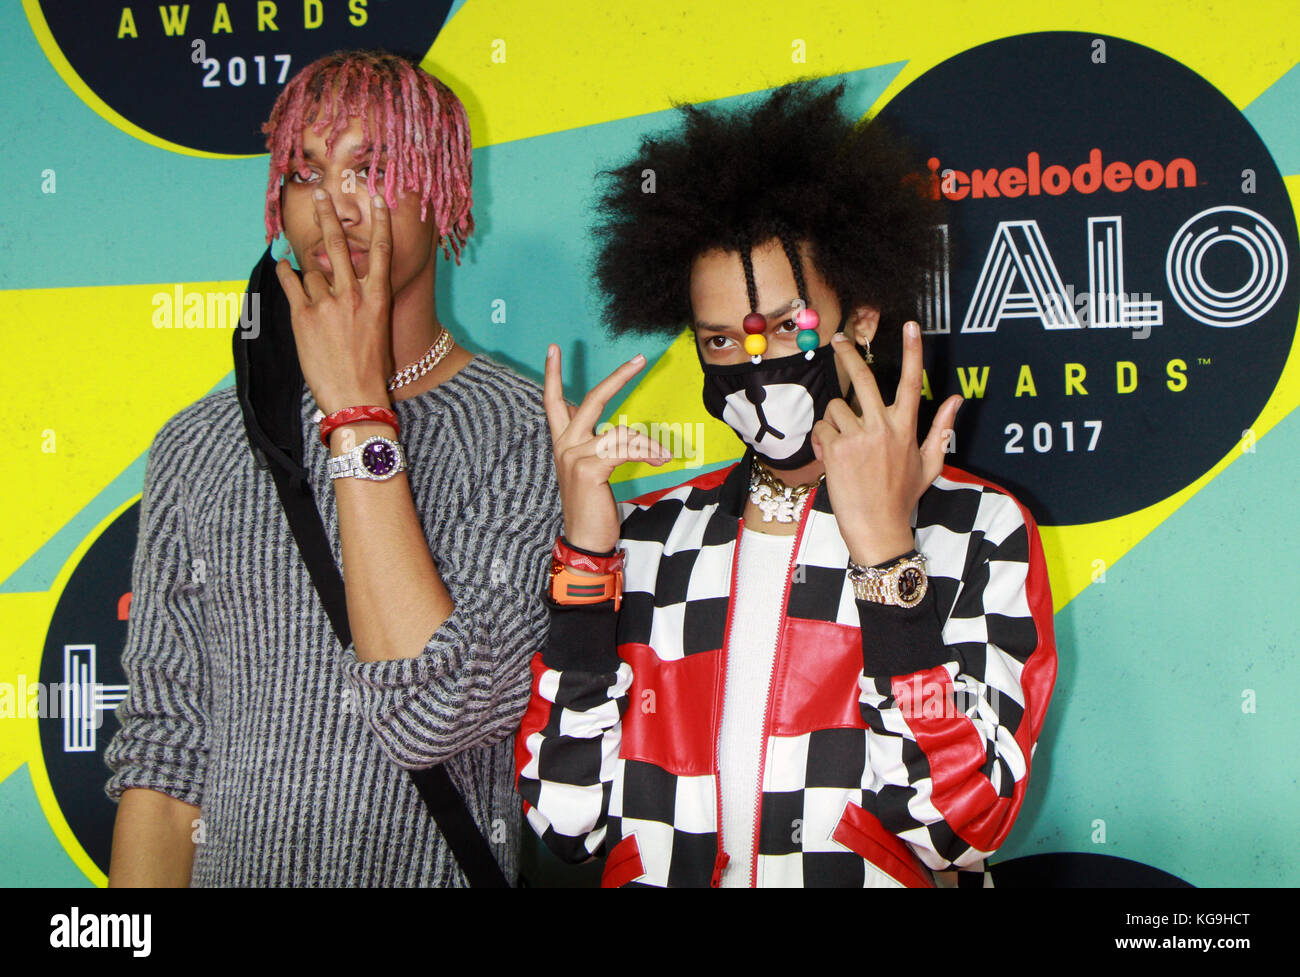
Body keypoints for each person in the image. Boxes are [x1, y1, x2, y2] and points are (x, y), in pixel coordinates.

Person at [517, 80, 1057, 887]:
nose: (755, 364)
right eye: (721, 342)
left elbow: (959, 822)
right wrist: (588, 564)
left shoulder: (973, 526)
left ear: (861, 321)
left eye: (788, 328)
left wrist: (884, 560)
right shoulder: (652, 537)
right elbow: (564, 819)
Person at [104, 50, 560, 886]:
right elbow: (164, 762)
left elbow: (437, 711)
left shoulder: (528, 435)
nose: (335, 205)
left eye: (373, 167)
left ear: (446, 190)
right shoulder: (198, 445)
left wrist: (357, 414)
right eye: (307, 173)